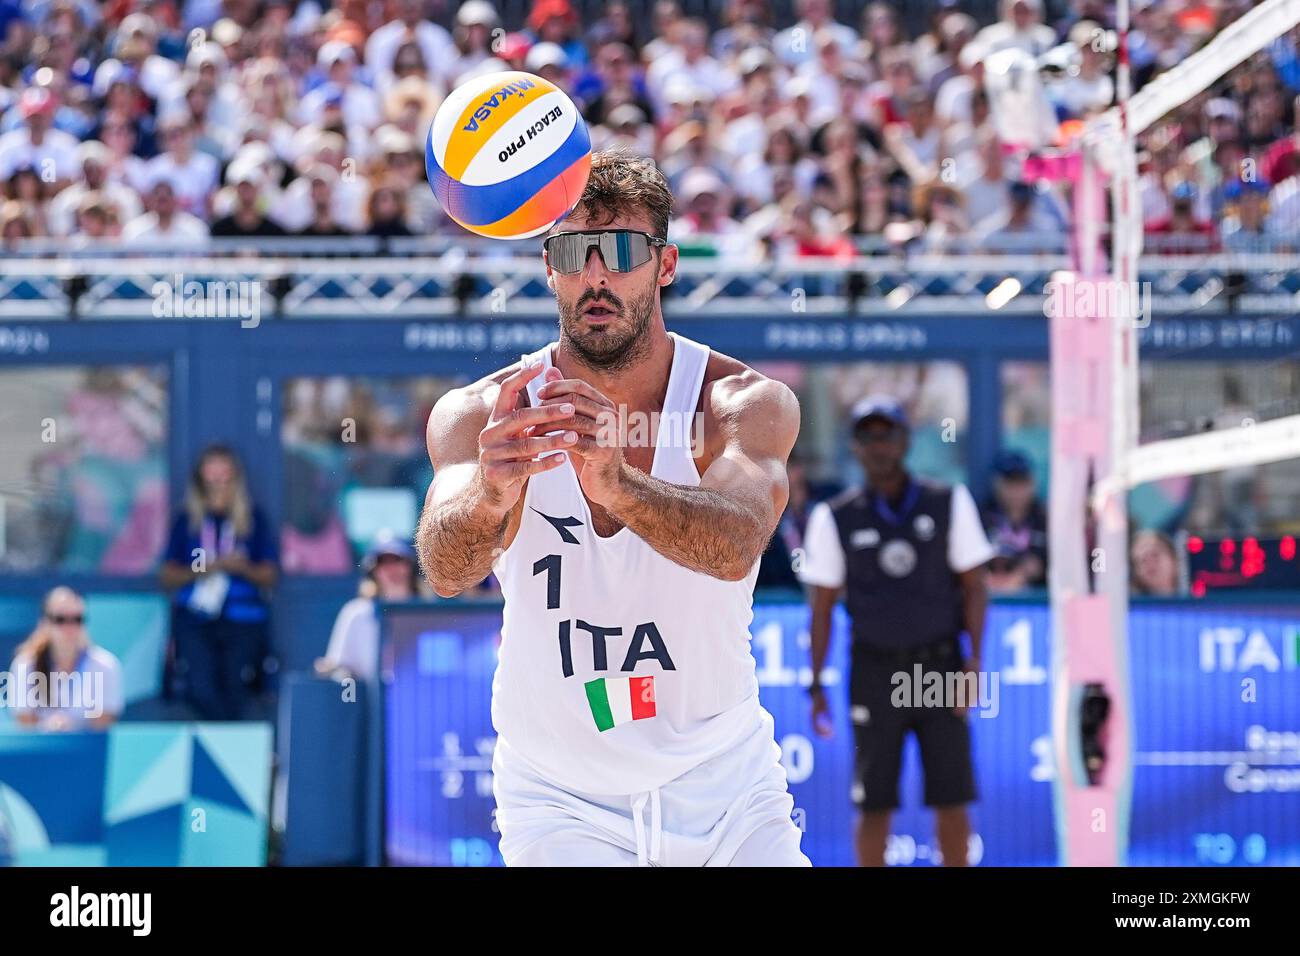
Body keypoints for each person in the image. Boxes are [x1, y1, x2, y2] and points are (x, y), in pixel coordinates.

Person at [416, 151, 808, 867]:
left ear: (664, 265)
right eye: (573, 250)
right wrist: (491, 494)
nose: (596, 274)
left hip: (722, 780)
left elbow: (738, 546)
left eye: (622, 250)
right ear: (548, 265)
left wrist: (618, 481)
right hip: (560, 793)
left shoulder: (738, 404)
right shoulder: (479, 412)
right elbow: (444, 569)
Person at [798, 396, 995, 867]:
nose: (879, 445)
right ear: (855, 447)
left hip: (939, 665)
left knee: (951, 798)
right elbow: (821, 608)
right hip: (875, 667)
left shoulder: (947, 501)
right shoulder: (835, 516)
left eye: (888, 435)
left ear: (906, 441)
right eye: (869, 436)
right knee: (873, 802)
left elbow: (976, 587)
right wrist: (817, 681)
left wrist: (973, 664)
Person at [159, 445, 278, 720]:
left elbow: (270, 575)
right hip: (196, 618)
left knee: (238, 689)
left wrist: (242, 567)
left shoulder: (253, 520)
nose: (219, 483)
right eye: (212, 475)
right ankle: (220, 746)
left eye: (225, 475)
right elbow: (167, 575)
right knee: (200, 688)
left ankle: (228, 748)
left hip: (243, 619)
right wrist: (206, 568)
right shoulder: (187, 521)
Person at [8, 586, 124, 730]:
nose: (70, 627)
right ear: (45, 623)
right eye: (60, 619)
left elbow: (106, 719)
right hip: (40, 750)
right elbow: (24, 720)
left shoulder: (106, 665)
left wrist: (72, 727)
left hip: (87, 750)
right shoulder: (25, 665)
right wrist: (48, 727)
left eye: (77, 619)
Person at [316, 533, 419, 682]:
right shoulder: (355, 613)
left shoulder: (429, 613)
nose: (391, 569)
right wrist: (342, 676)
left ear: (411, 566)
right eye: (383, 562)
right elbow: (340, 670)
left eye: (398, 560)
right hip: (370, 702)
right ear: (372, 572)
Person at [981, 449, 1048, 592]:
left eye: (1022, 483)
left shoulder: (1045, 520)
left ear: (1032, 484)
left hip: (1037, 604)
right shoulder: (981, 518)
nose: (1016, 491)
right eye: (1010, 484)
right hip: (991, 599)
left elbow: (1043, 564)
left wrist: (1021, 575)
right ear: (997, 484)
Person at [1131, 529, 1180, 596]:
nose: (1150, 563)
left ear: (1174, 559)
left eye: (1155, 555)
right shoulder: (1132, 605)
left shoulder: (1195, 601)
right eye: (1143, 560)